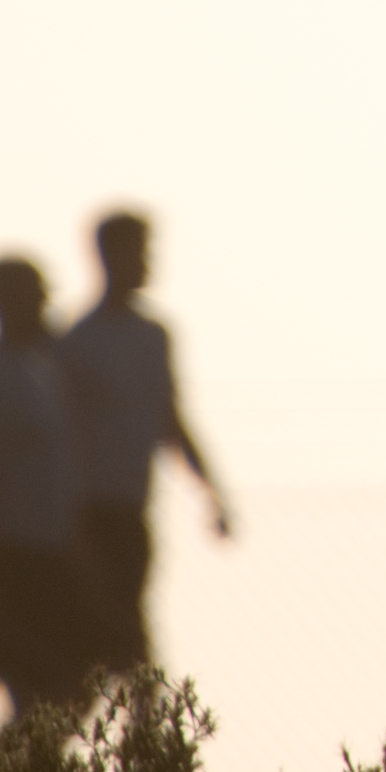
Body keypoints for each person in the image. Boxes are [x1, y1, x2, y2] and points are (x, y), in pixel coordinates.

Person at [55, 209, 236, 682]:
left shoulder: (153, 336)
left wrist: (211, 490)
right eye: (139, 250)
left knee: (118, 662)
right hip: (88, 520)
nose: (148, 262)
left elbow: (170, 420)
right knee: (113, 662)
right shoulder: (77, 341)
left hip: (132, 516)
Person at [0, 255, 91, 724]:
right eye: (36, 294)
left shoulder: (39, 370)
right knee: (40, 687)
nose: (46, 305)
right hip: (13, 558)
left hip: (51, 554)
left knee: (70, 688)